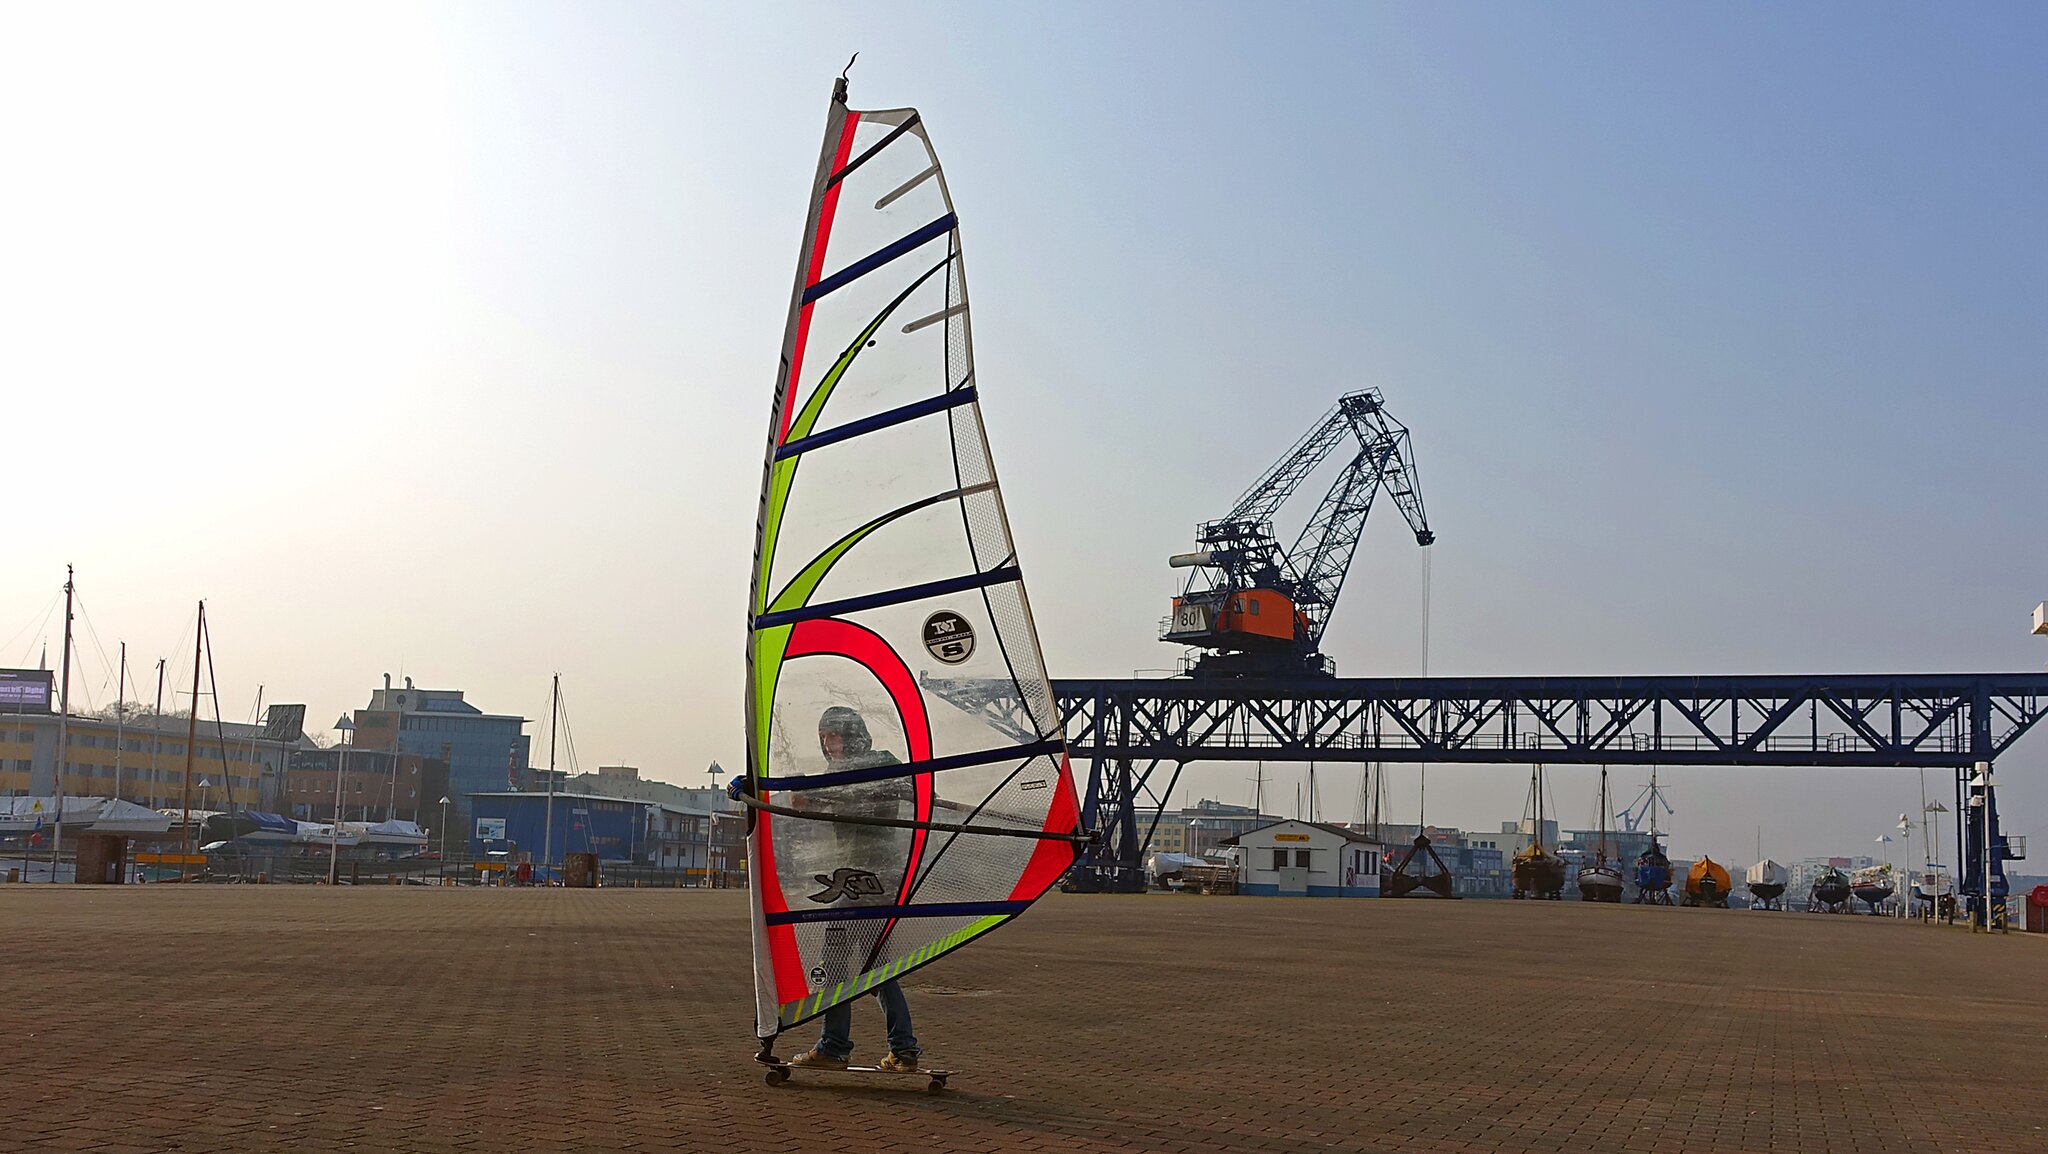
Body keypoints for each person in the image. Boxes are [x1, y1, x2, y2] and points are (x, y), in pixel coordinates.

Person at [789, 705, 922, 1071]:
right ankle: (903, 1048)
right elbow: (828, 796)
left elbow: (873, 790)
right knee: (875, 967)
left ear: (852, 733)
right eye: (823, 738)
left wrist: (816, 797)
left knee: (843, 966)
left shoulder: (880, 762)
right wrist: (758, 788)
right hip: (853, 880)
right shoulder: (835, 775)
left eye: (833, 735)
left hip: (866, 883)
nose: (829, 744)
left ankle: (834, 1046)